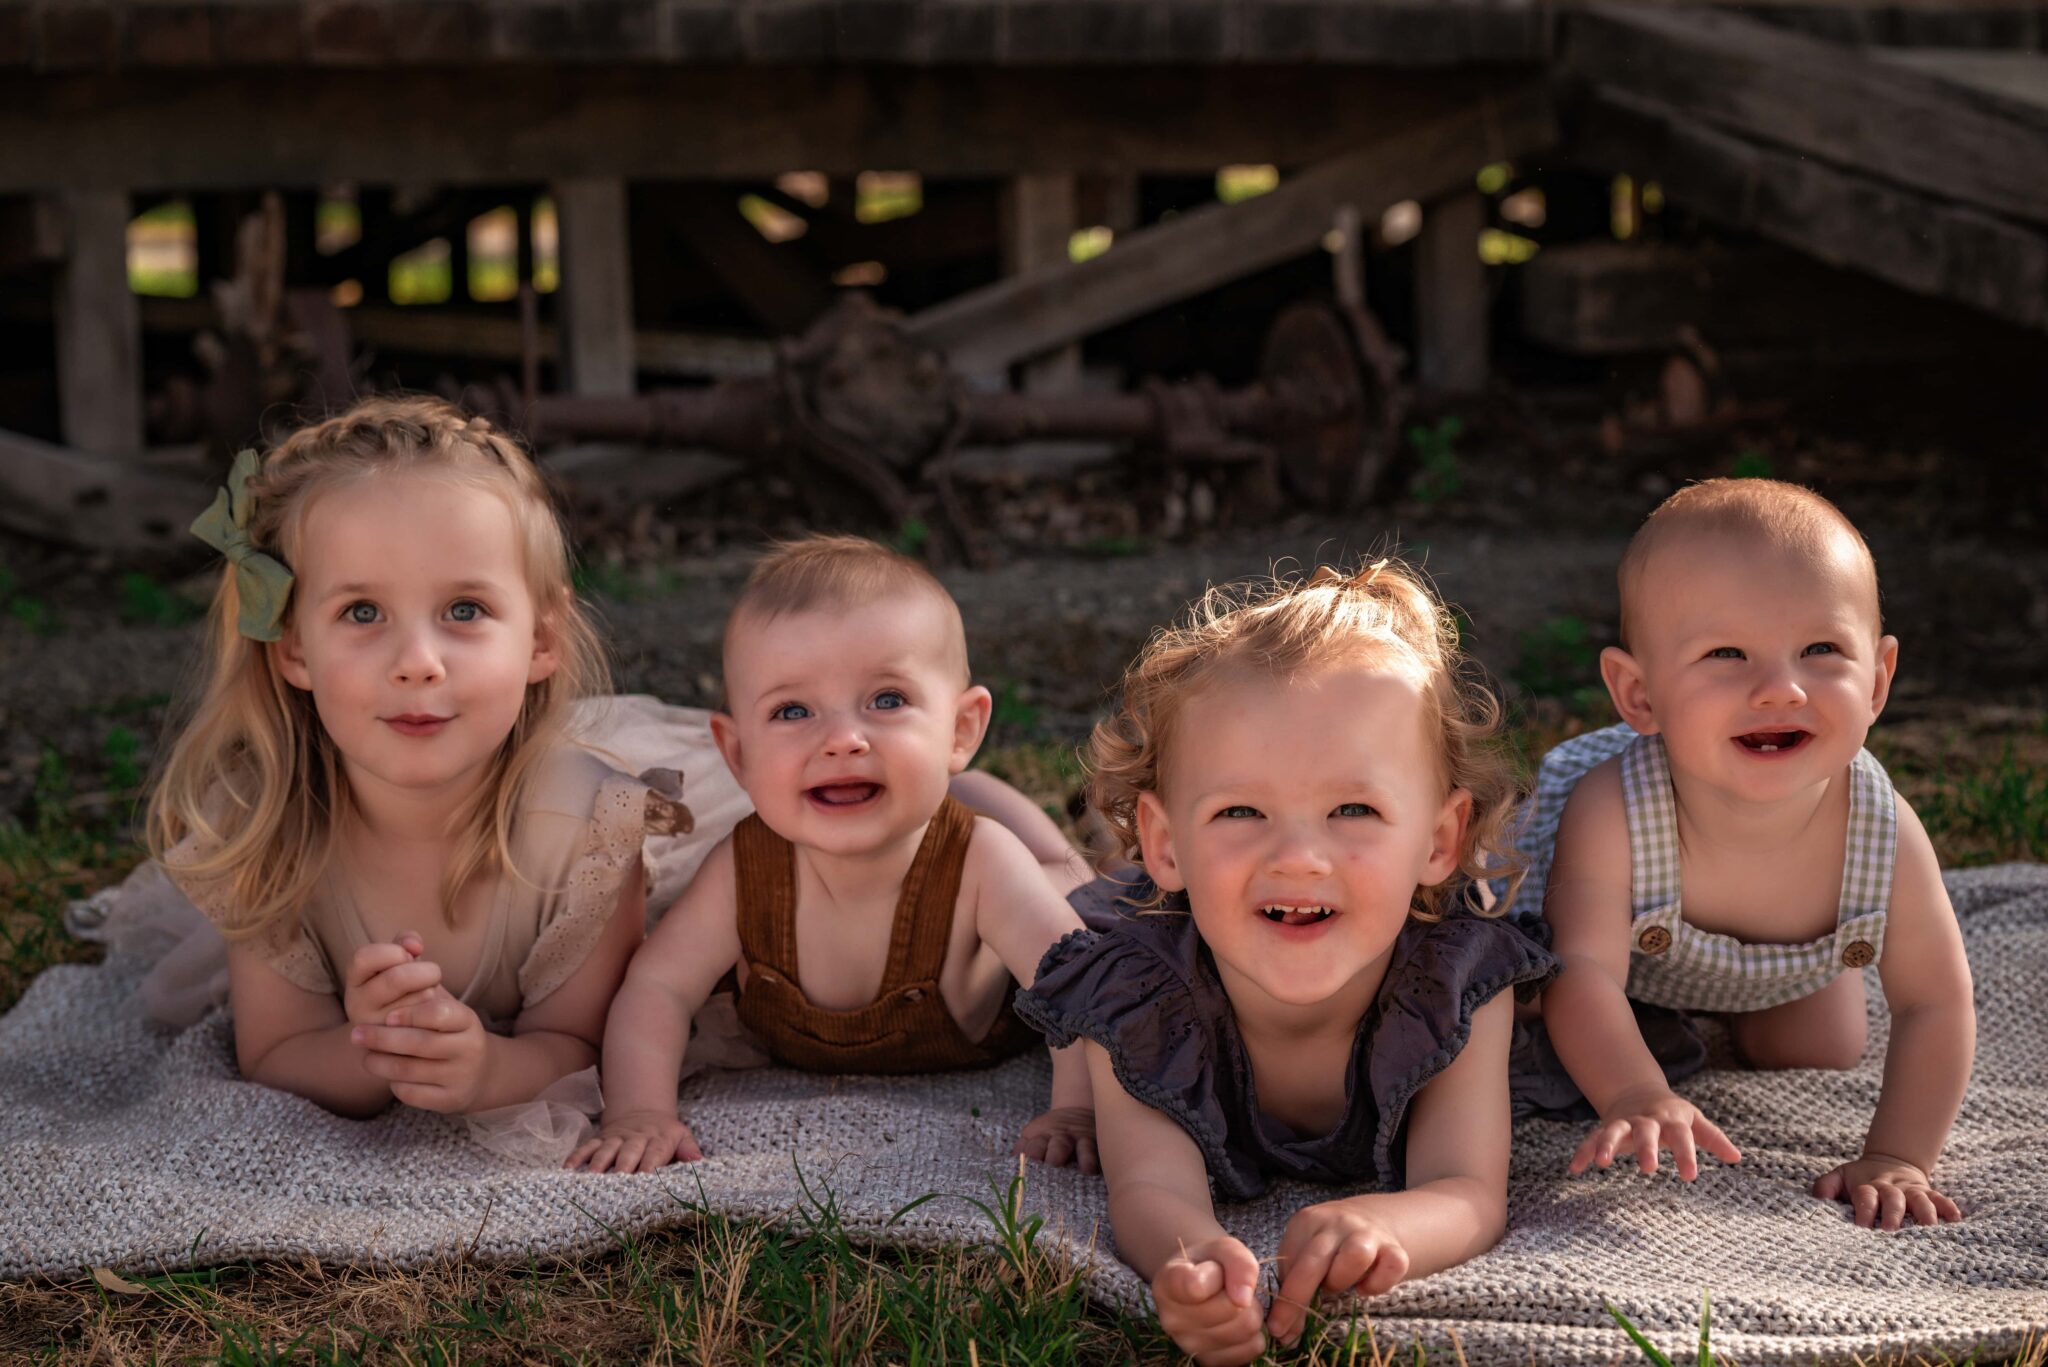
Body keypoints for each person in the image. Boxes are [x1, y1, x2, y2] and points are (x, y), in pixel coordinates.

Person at [1014, 560, 1556, 1366]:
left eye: (1354, 809)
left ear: (1439, 839)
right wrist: (1191, 1260)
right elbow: (1149, 1187)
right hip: (1147, 924)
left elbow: (1468, 1191)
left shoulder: (1457, 986)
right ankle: (1009, 828)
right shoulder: (1137, 997)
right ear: (1166, 842)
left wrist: (1389, 1225)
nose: (1299, 857)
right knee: (1064, 898)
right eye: (1241, 810)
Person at [147, 396, 712, 1119]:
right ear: (293, 648)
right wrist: (377, 1048)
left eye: (465, 610)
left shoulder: (592, 831)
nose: (417, 663)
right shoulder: (268, 832)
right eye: (362, 612)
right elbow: (276, 1050)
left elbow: (582, 1040)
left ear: (541, 640)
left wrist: (488, 1071)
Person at [1520, 478, 1974, 1232]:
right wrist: (1634, 1092)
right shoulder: (1611, 806)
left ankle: (1741, 1003)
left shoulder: (1882, 830)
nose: (1780, 689)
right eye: (1726, 653)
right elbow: (1585, 971)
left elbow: (1935, 1003)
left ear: (1879, 680)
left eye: (1821, 649)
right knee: (1531, 1007)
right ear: (1638, 694)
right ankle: (1648, 1028)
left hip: (1779, 964)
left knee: (1821, 1049)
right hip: (1604, 944)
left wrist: (1899, 1155)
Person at [569, 536, 1098, 1174]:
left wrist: (1078, 1109)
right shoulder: (743, 871)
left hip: (1012, 896)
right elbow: (656, 988)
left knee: (1073, 884)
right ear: (737, 756)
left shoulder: (982, 863)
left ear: (961, 730)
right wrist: (639, 1110)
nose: (844, 740)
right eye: (793, 710)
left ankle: (1036, 830)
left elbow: (1079, 984)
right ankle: (961, 787)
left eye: (887, 700)